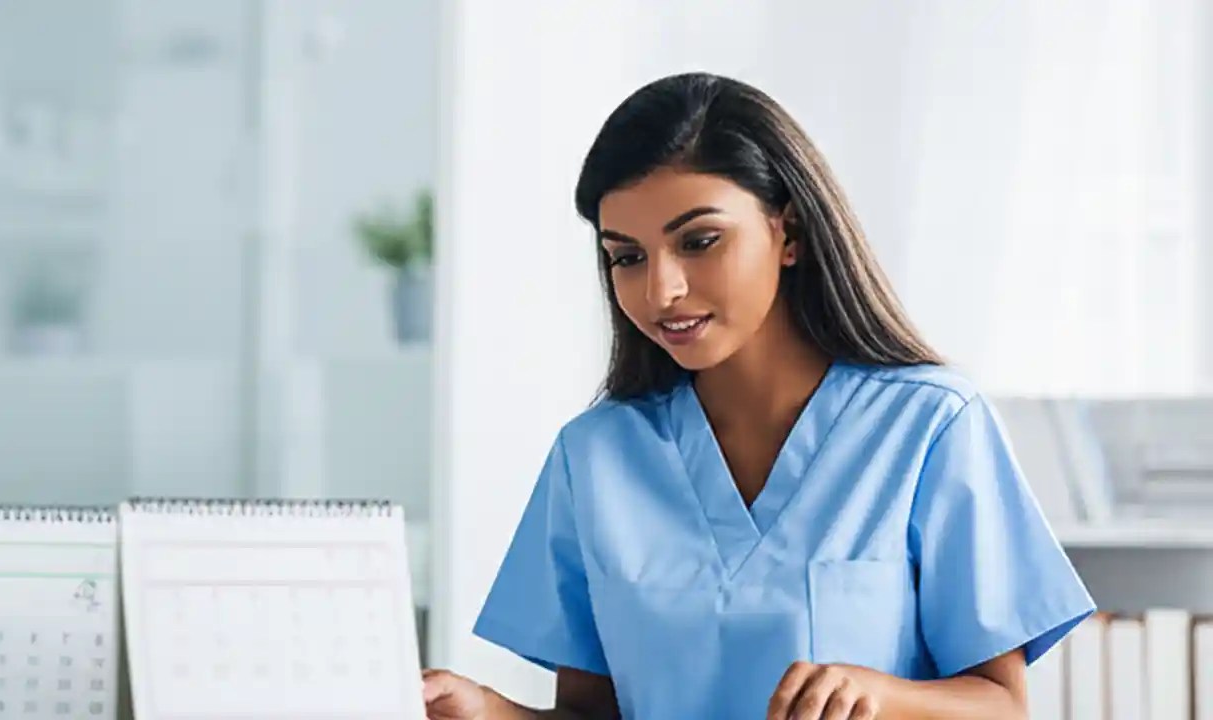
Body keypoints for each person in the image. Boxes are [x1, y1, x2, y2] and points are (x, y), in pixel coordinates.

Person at [422, 72, 1095, 720]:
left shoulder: (930, 427)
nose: (661, 291)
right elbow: (592, 713)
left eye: (699, 242)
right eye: (627, 256)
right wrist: (489, 713)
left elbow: (1001, 704)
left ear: (789, 233)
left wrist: (877, 696)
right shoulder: (594, 457)